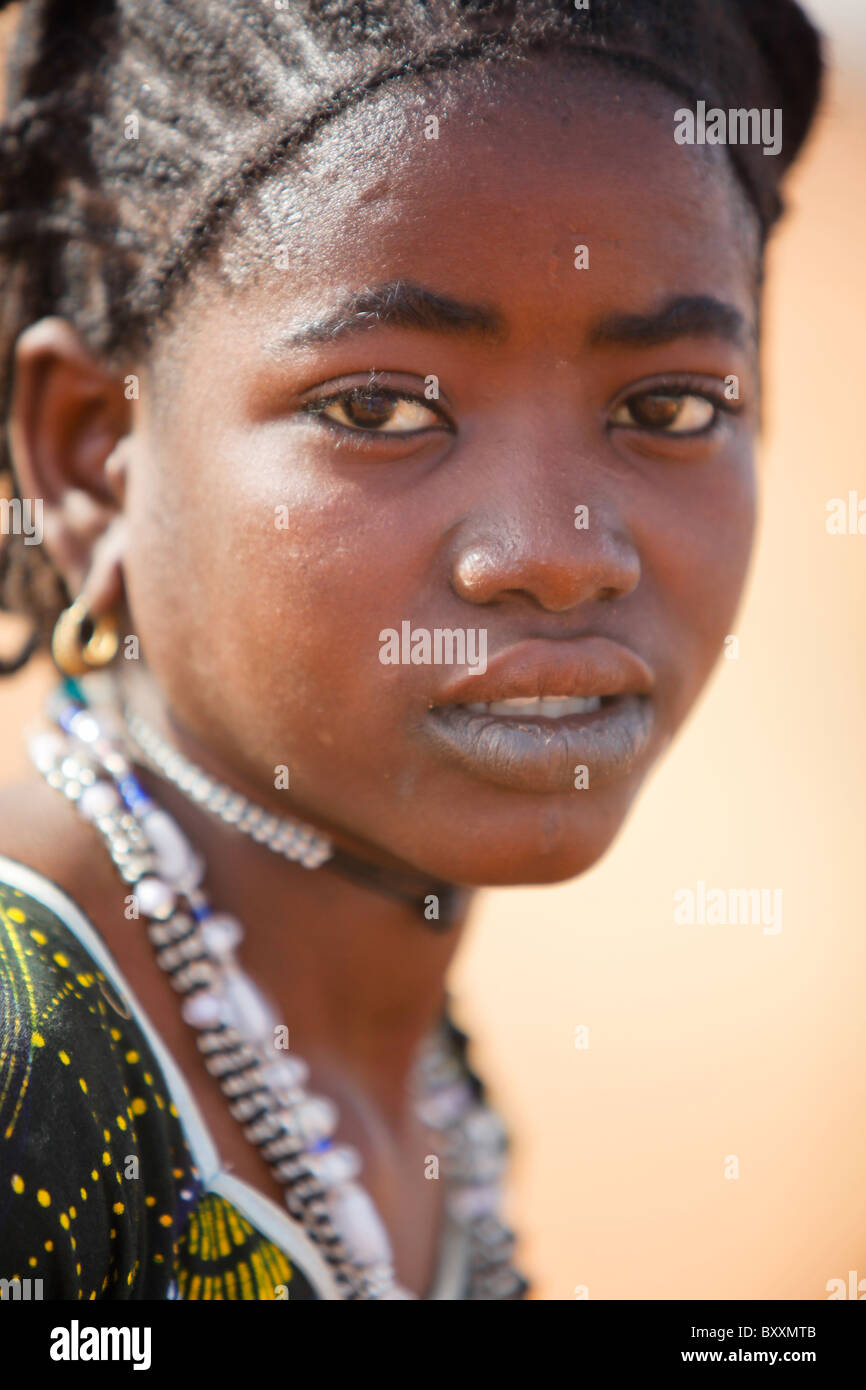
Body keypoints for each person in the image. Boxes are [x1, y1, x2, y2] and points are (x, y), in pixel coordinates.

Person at [0, 0, 823, 1300]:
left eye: (665, 406)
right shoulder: (26, 1060)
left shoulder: (401, 1053)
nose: (558, 552)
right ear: (95, 454)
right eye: (378, 408)